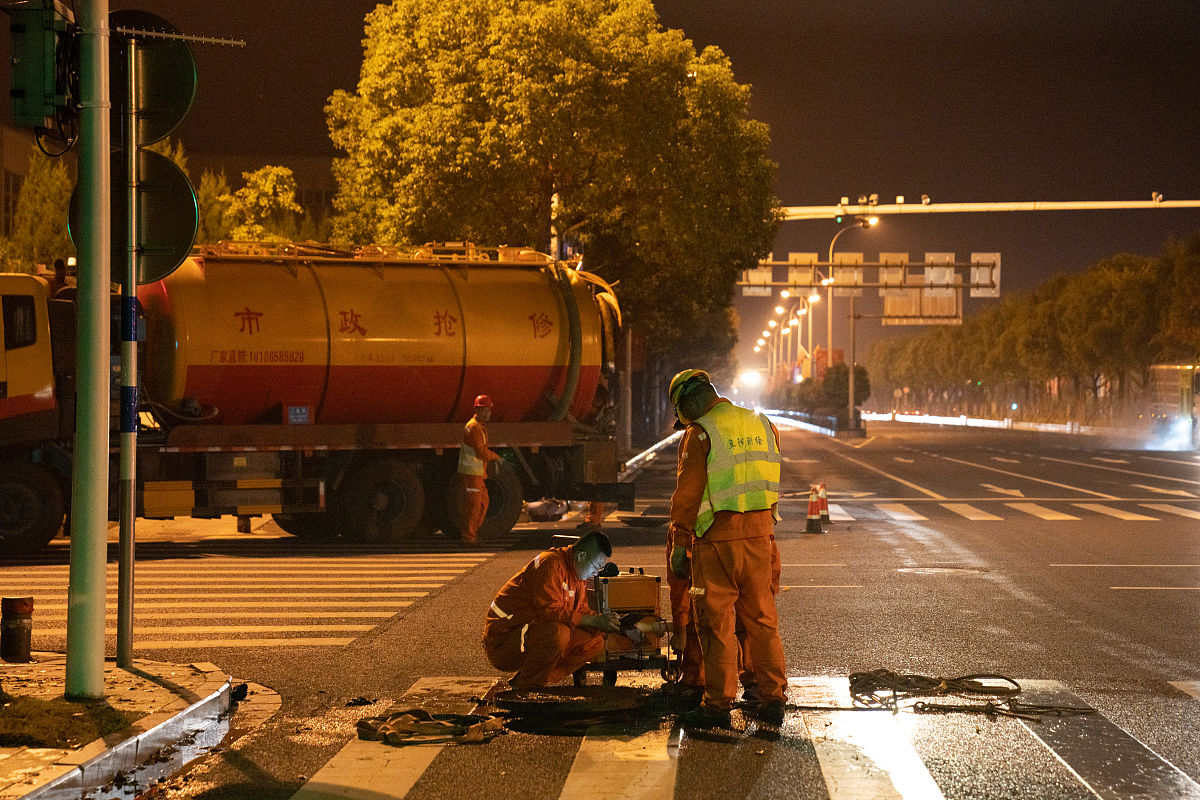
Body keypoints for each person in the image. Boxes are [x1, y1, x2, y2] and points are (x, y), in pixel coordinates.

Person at [666, 369, 788, 728]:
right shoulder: (763, 423)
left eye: (682, 412)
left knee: (715, 623)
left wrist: (679, 541)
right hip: (760, 538)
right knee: (762, 621)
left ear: (688, 403)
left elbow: (687, 496)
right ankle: (772, 698)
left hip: (716, 542)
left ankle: (717, 705)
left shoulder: (700, 433)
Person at [482, 531, 621, 688]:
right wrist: (593, 620)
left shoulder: (577, 574)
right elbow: (549, 612)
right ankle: (529, 687)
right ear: (581, 556)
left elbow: (580, 611)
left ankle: (530, 679)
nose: (596, 573)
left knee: (594, 641)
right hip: (502, 643)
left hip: (528, 635)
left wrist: (603, 623)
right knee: (558, 633)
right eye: (596, 566)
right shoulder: (551, 564)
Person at [455, 395, 503, 545]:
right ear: (477, 409)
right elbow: (481, 451)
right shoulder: (474, 427)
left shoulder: (479, 426)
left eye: (489, 410)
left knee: (483, 503)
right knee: (473, 505)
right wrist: (496, 457)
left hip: (477, 473)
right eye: (485, 410)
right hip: (471, 473)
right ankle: (468, 538)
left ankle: (472, 533)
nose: (488, 413)